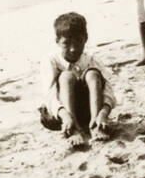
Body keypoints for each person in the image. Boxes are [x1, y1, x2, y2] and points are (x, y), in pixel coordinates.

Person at [37, 12, 116, 148]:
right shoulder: (52, 60)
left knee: (92, 74)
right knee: (66, 76)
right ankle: (73, 129)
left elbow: (108, 92)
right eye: (66, 44)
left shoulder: (90, 59)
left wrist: (103, 113)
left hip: (89, 111)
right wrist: (66, 116)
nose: (73, 49)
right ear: (57, 42)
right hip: (61, 114)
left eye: (78, 41)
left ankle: (95, 125)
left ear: (86, 38)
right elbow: (49, 96)